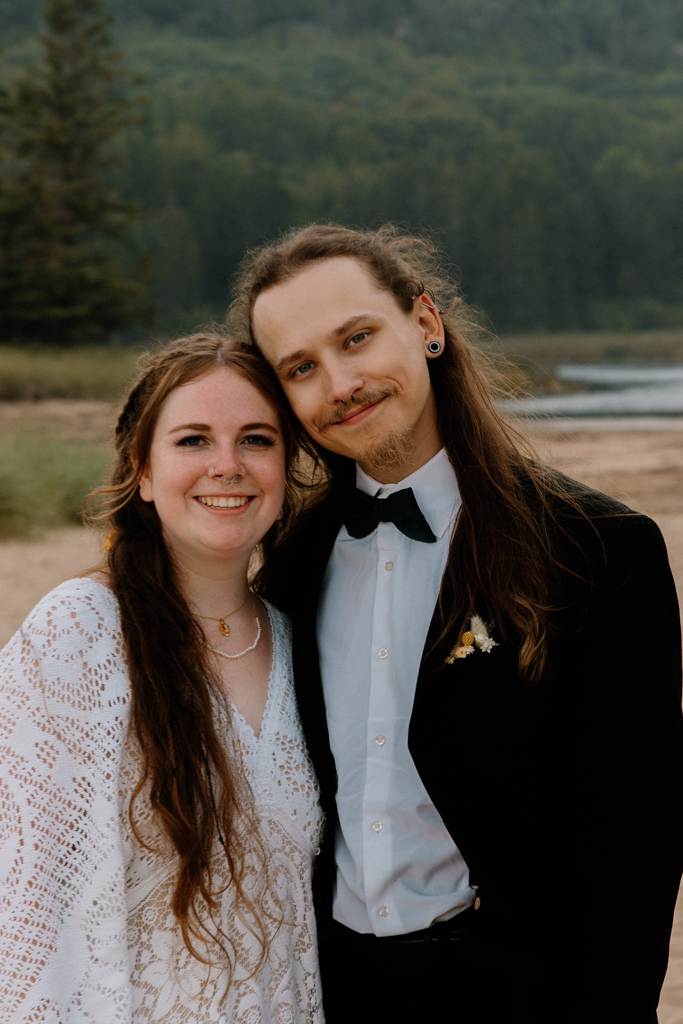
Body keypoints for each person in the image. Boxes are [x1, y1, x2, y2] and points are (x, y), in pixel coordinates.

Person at [228, 224, 683, 1024]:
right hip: (335, 994)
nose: (340, 382)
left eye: (357, 338)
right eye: (301, 368)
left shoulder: (599, 550)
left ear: (427, 326)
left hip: (517, 998)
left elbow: (634, 849)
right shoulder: (290, 567)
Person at [0, 333, 324, 1023]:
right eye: (193, 441)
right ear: (141, 472)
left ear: (286, 466)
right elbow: (24, 920)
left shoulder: (306, 645)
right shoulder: (80, 635)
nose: (227, 465)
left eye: (257, 440)